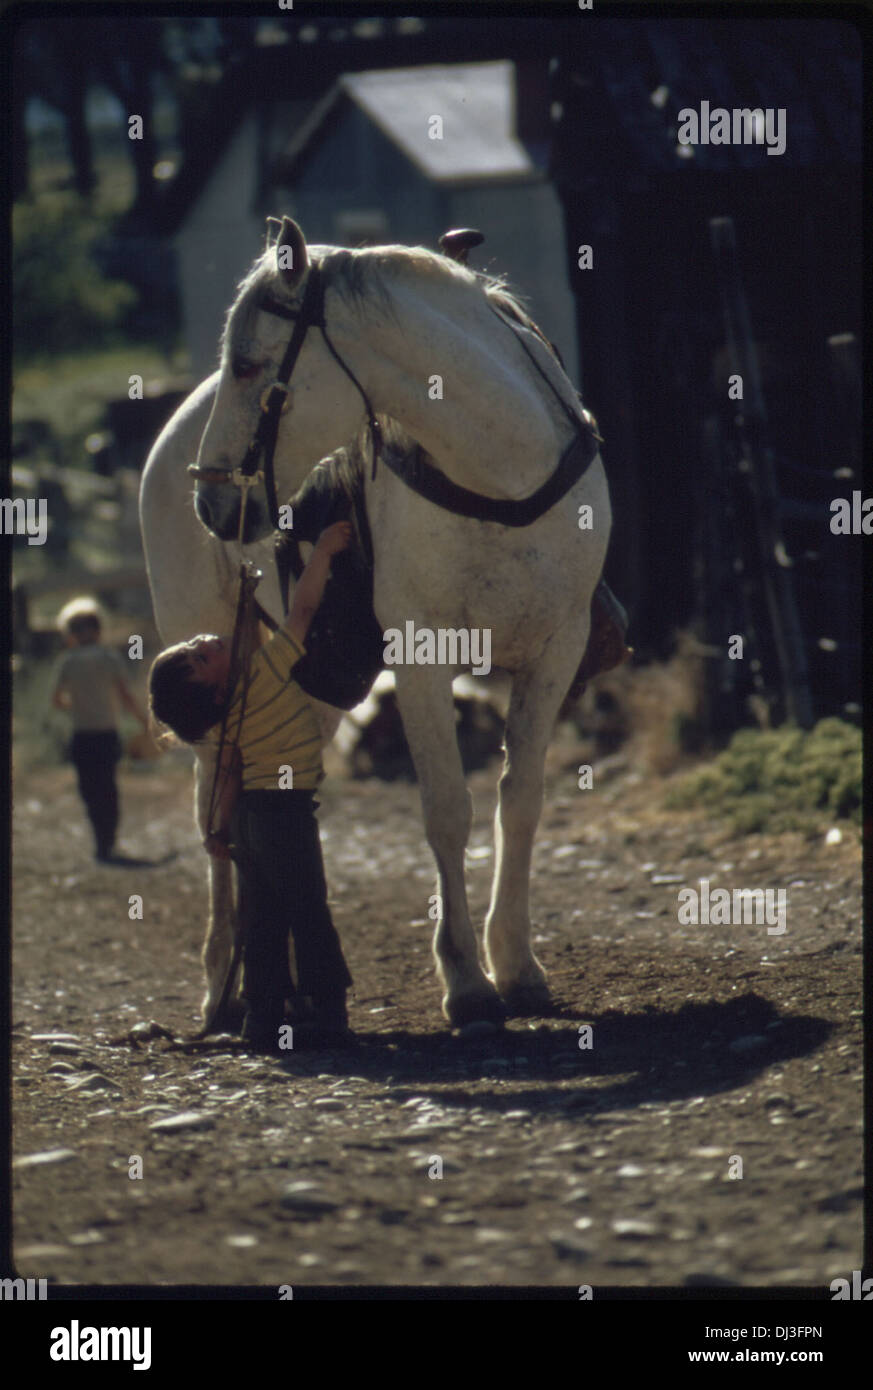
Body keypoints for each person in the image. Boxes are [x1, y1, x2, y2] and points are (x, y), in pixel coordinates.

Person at [148, 522, 355, 1053]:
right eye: (198, 659)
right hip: (284, 815)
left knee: (261, 914)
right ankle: (327, 1012)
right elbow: (303, 612)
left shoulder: (227, 720)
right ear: (214, 690)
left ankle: (263, 1017)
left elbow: (232, 774)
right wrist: (325, 551)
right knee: (308, 906)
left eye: (193, 647)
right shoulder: (265, 671)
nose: (200, 644)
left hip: (251, 819)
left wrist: (219, 828)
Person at [51, 597, 150, 863]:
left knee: (89, 788)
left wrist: (76, 705)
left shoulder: (68, 662)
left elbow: (57, 700)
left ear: (70, 633)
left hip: (82, 734)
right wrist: (143, 721)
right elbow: (125, 695)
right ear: (98, 630)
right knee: (108, 786)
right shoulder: (109, 658)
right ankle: (108, 839)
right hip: (107, 732)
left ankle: (101, 841)